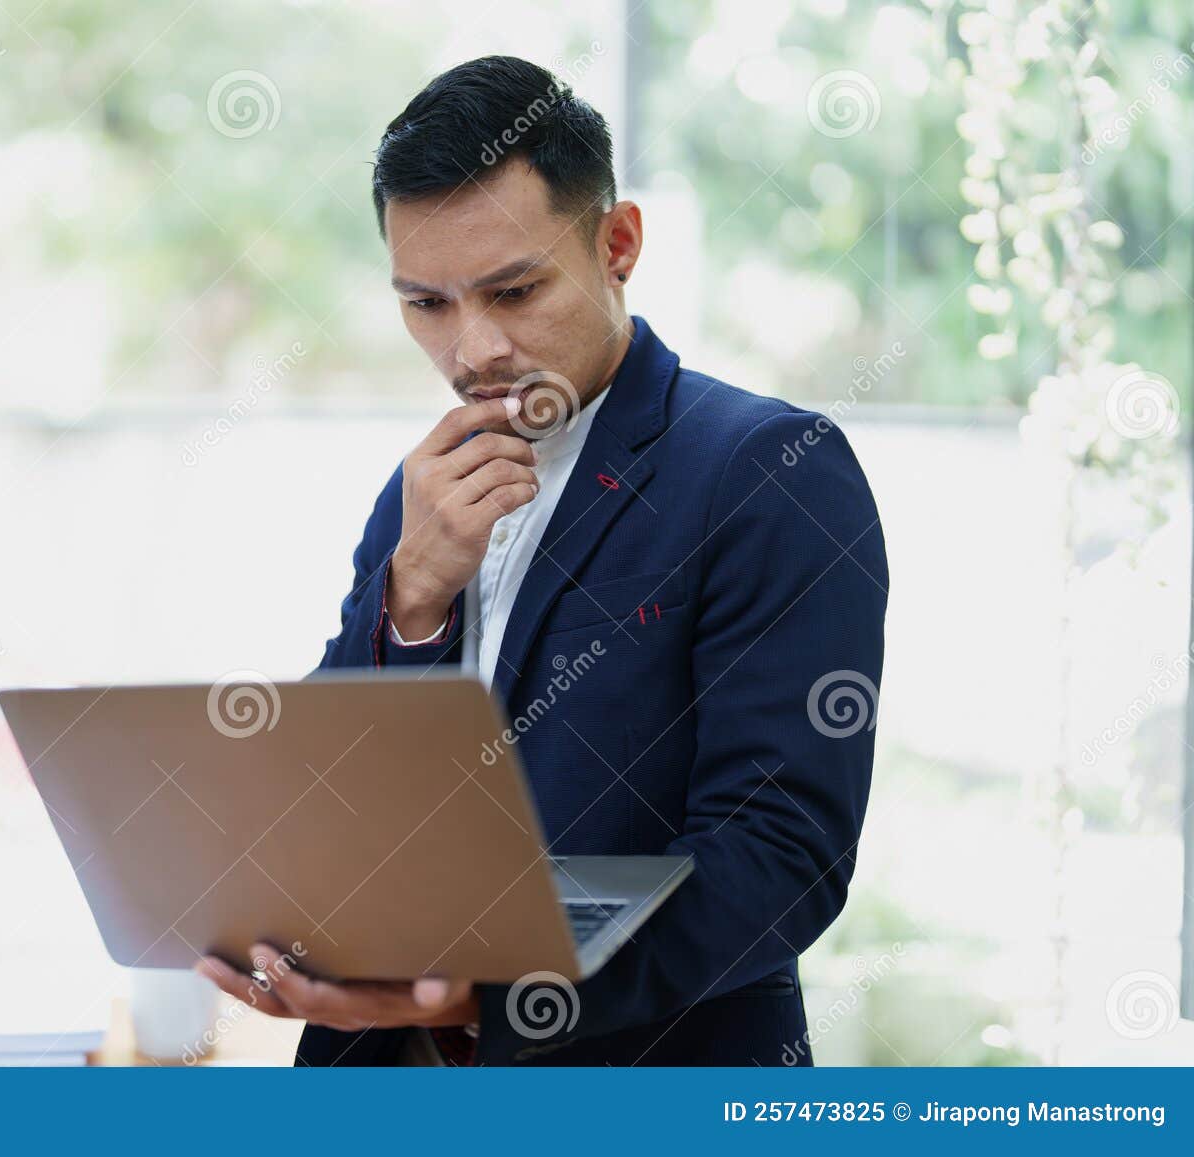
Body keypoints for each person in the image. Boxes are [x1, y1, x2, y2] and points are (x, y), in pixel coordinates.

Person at [196, 54, 888, 1067]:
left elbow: (778, 856)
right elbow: (337, 792)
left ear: (617, 244)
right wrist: (410, 603)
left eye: (513, 290)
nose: (472, 350)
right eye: (425, 303)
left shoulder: (766, 469)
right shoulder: (417, 491)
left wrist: (493, 984)